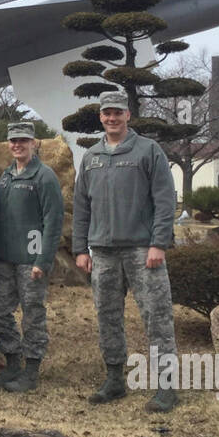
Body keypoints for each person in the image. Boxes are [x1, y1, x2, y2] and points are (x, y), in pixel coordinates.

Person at [72, 91, 179, 412]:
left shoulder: (149, 150)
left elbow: (165, 199)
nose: (112, 118)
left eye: (118, 112)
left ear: (128, 114)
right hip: (102, 251)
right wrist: (80, 248)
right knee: (107, 316)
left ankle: (167, 385)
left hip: (142, 250)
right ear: (100, 117)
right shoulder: (90, 157)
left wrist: (159, 243)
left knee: (157, 317)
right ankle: (115, 378)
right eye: (106, 113)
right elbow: (80, 207)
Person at [0, 123, 64, 393]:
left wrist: (43, 260)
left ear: (33, 143)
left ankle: (31, 370)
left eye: (22, 140)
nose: (17, 145)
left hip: (31, 260)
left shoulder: (44, 176)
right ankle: (12, 361)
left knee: (33, 314)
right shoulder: (7, 175)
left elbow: (53, 221)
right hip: (3, 258)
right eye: (13, 141)